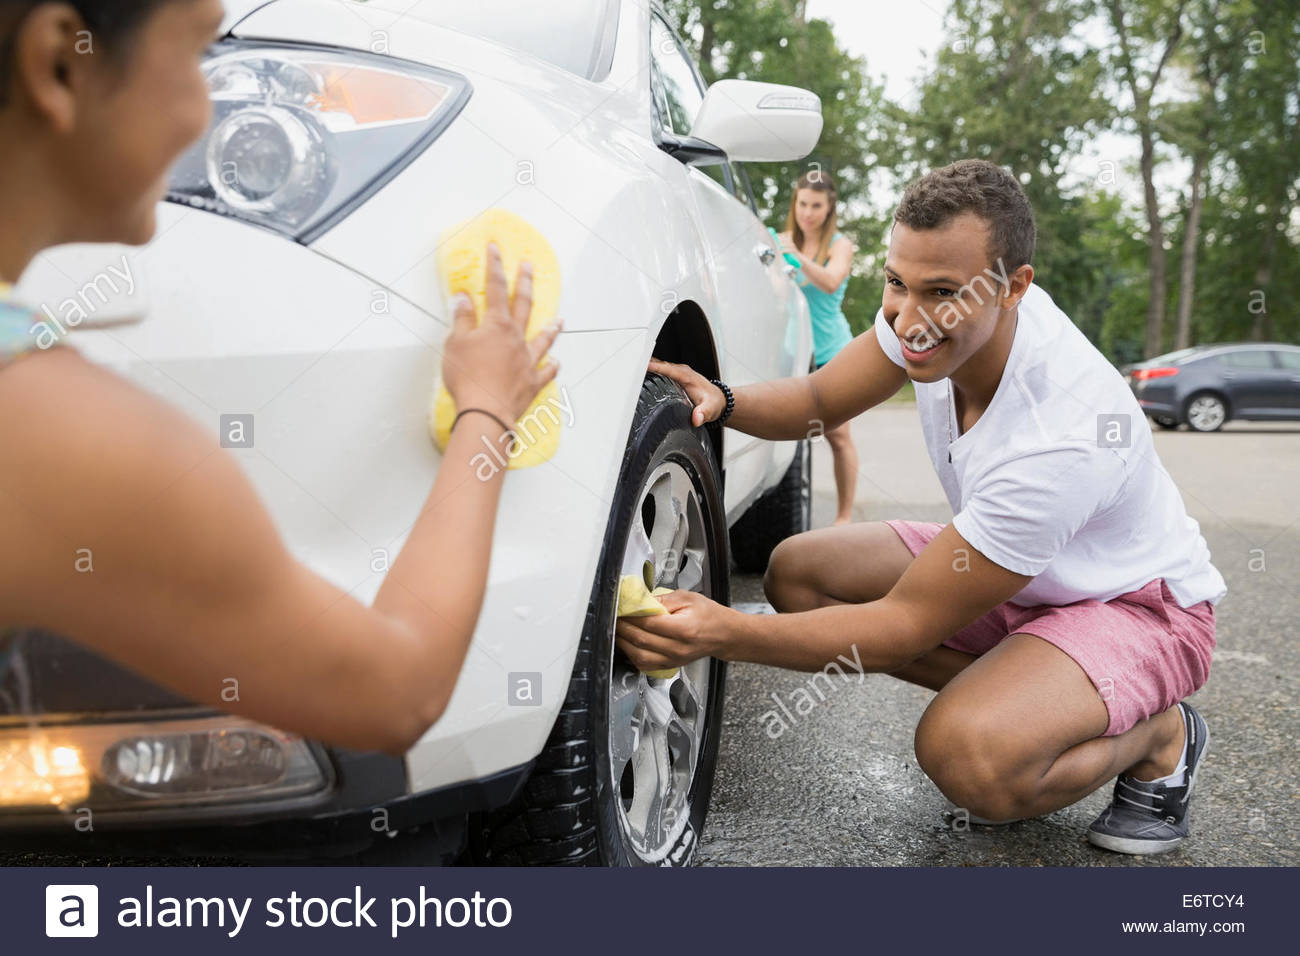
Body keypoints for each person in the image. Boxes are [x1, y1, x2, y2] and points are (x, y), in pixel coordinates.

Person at [0, 0, 560, 755]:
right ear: (59, 66)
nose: (207, 114)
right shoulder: (56, 431)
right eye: (198, 55)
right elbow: (394, 691)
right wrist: (488, 412)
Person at [624, 159, 1225, 855]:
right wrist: (721, 398)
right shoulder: (933, 322)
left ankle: (1158, 734)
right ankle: (1032, 702)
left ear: (1013, 287)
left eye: (939, 292)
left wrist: (722, 632)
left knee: (966, 755)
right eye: (895, 283)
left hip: (1139, 607)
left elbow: (904, 625)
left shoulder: (1060, 435)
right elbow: (820, 402)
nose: (907, 320)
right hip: (1031, 569)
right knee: (799, 575)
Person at [778, 170, 859, 525]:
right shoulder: (775, 239)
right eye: (802, 203)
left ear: (829, 209)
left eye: (816, 206)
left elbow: (829, 281)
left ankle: (843, 518)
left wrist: (795, 255)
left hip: (830, 351)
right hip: (791, 350)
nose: (807, 212)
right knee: (786, 431)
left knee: (837, 435)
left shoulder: (840, 245)